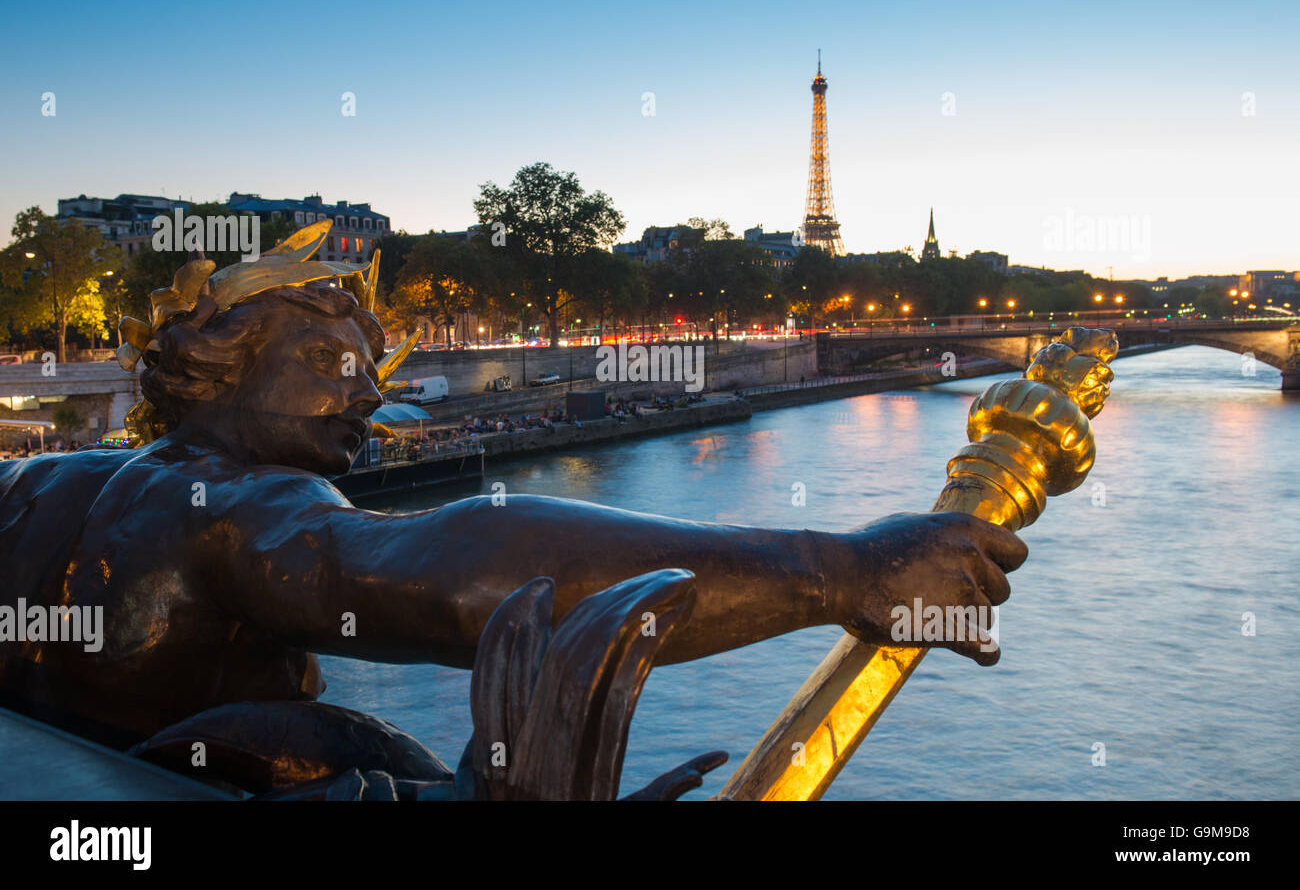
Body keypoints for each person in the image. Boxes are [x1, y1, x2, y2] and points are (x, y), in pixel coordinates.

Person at [0, 248, 1025, 749]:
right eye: (325, 359)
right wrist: (839, 570)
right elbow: (450, 571)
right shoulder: (230, 507)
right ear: (219, 367)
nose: (367, 392)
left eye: (370, 368)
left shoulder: (34, 484)